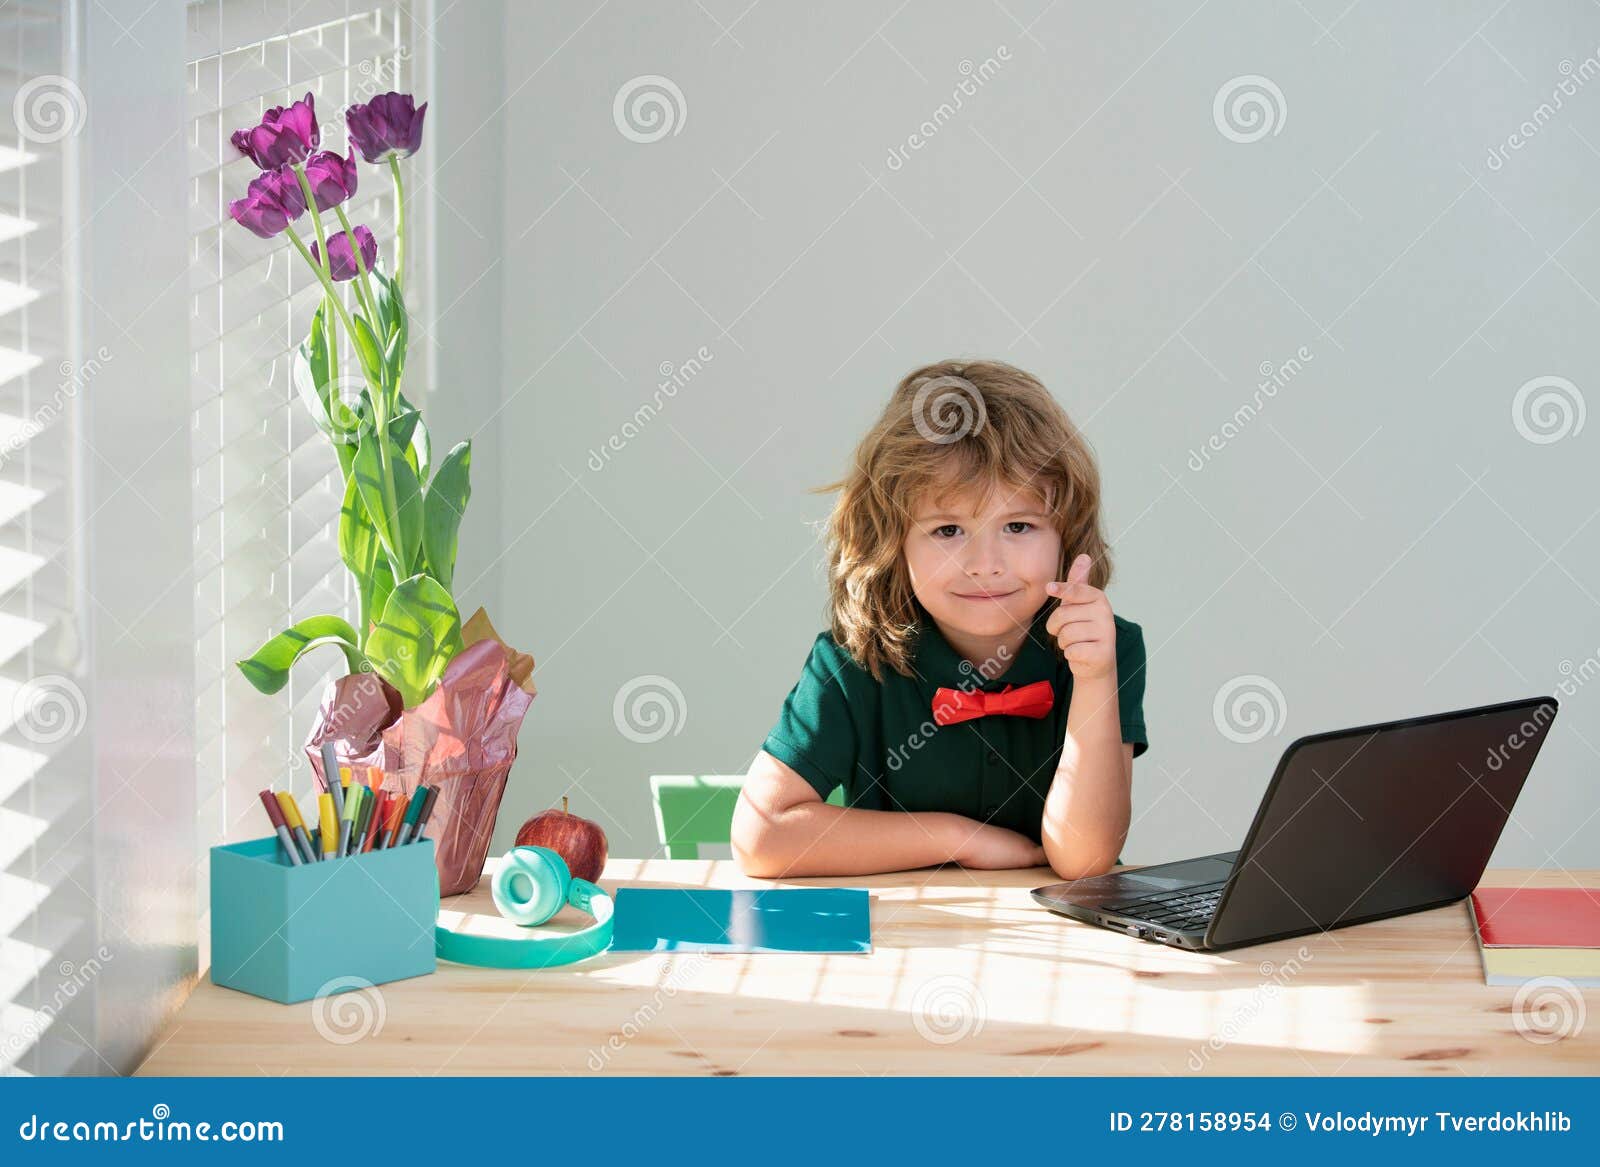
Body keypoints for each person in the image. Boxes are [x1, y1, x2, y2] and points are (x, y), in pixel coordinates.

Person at [731, 359, 1148, 879]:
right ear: (892, 542)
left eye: (1018, 525)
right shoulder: (853, 659)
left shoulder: (1108, 649)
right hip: (905, 943)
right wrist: (959, 837)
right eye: (948, 530)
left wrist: (1093, 679)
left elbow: (1084, 860)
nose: (985, 563)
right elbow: (760, 837)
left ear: (1067, 534)